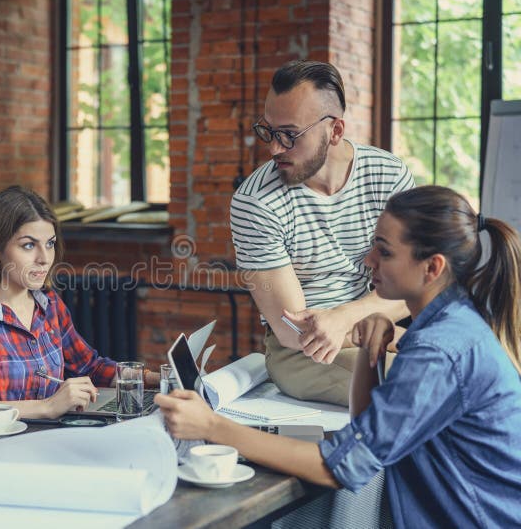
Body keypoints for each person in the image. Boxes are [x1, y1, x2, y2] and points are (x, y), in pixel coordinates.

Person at [158, 185, 521, 528]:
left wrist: (212, 426)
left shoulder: (438, 351)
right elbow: (367, 429)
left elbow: (340, 466)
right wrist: (367, 353)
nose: (369, 260)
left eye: (385, 251)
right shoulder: (447, 322)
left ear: (432, 267)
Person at [230, 60, 415, 405]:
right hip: (302, 354)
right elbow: (293, 331)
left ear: (336, 131)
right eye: (268, 131)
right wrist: (379, 329)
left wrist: (344, 318)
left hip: (374, 327)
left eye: (289, 134)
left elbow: (413, 285)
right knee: (418, 385)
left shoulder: (389, 176)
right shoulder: (255, 202)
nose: (274, 148)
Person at [0, 185, 158, 419]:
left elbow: (90, 367)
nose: (44, 258)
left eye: (50, 243)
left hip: (49, 439)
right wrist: (47, 407)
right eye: (29, 245)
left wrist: (155, 379)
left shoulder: (49, 305)